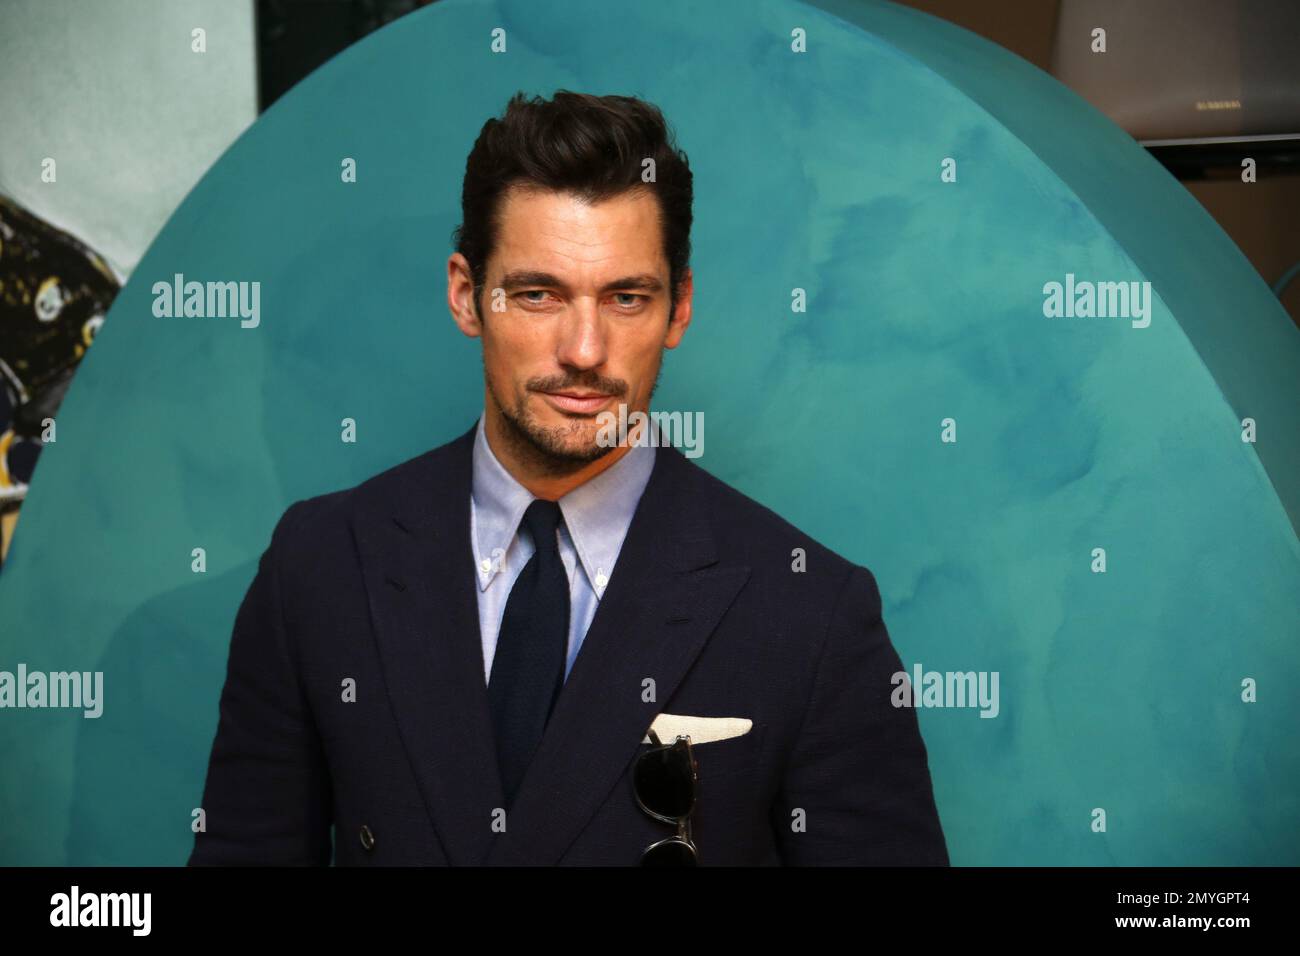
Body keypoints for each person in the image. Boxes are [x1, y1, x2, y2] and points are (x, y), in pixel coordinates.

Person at [189, 90, 948, 866]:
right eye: (538, 294)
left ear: (679, 308)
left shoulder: (809, 611)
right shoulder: (321, 565)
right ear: (465, 295)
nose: (584, 349)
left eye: (626, 297)